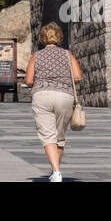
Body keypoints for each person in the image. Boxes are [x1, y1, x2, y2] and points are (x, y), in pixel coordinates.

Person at [24, 22, 82, 182]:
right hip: (64, 96)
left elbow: (28, 80)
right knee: (59, 136)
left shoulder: (36, 56)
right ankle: (56, 170)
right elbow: (77, 77)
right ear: (59, 37)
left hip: (42, 95)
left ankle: (56, 172)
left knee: (48, 136)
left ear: (43, 38)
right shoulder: (67, 54)